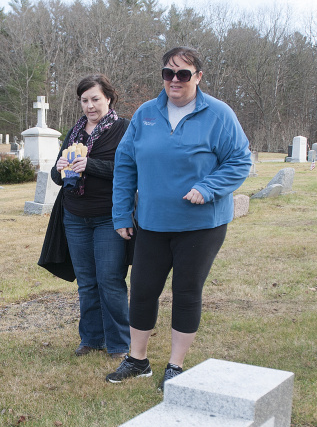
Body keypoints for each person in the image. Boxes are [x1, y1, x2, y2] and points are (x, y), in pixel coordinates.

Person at [108, 46, 252, 391]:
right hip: (153, 222)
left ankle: (175, 365)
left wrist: (209, 187)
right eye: (168, 73)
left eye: (183, 74)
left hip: (201, 225)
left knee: (186, 291)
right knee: (142, 291)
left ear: (198, 77)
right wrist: (121, 212)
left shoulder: (218, 114)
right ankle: (138, 360)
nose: (175, 80)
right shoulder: (145, 114)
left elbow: (240, 161)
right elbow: (125, 163)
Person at [48, 74, 131, 358]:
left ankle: (119, 344)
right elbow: (55, 177)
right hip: (74, 216)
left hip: (109, 216)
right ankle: (91, 339)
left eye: (95, 99)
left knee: (110, 279)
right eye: (84, 100)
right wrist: (60, 167)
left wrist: (90, 165)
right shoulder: (75, 132)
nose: (90, 106)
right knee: (87, 281)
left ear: (109, 97)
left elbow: (129, 171)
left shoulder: (123, 130)